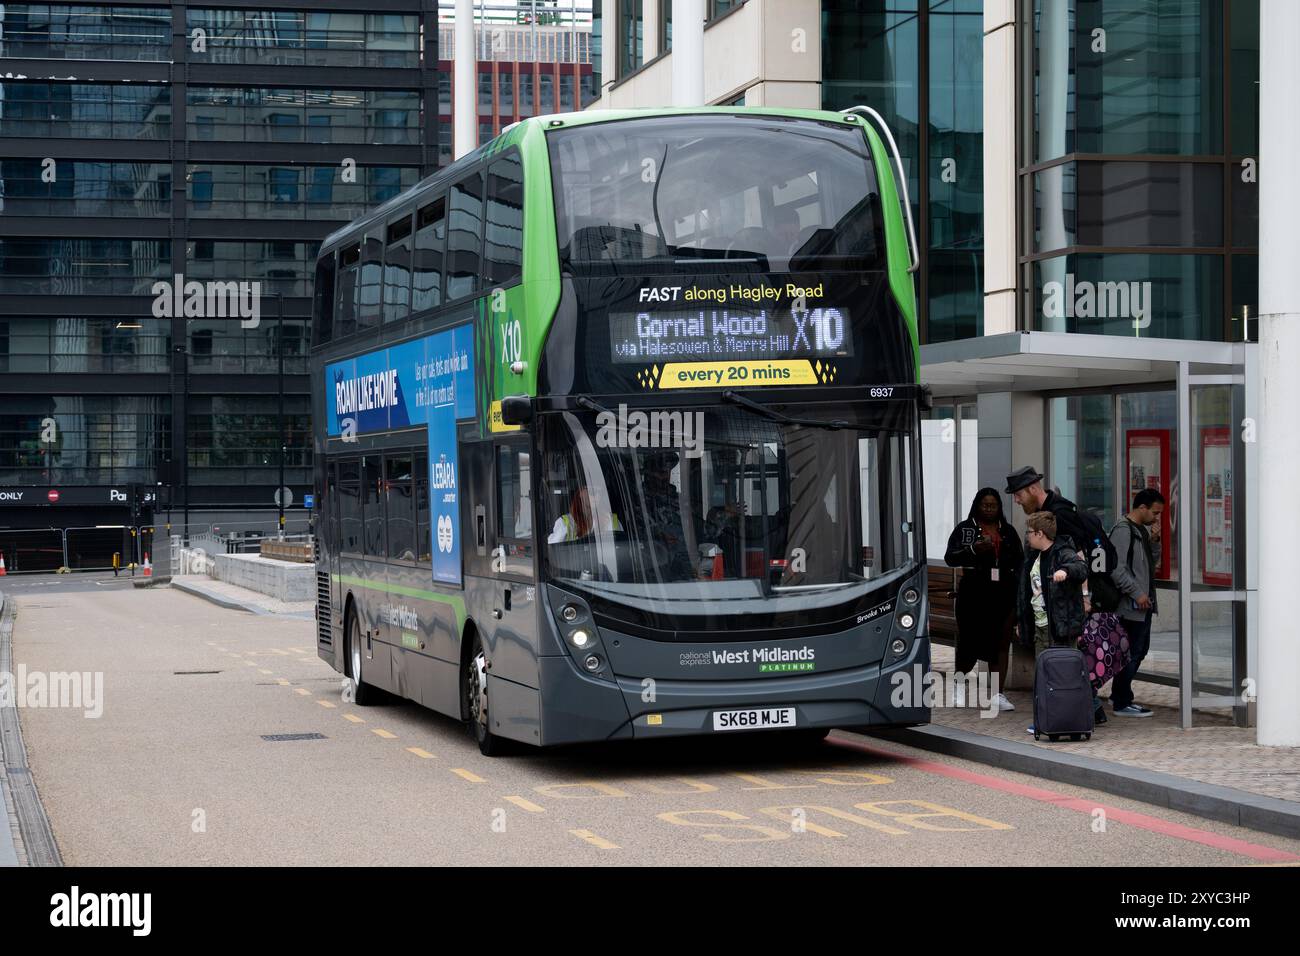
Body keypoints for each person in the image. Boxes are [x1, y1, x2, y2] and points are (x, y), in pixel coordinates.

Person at [944, 488, 1023, 711]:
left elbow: (1019, 561)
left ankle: (998, 694)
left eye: (993, 505)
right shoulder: (965, 529)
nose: (989, 509)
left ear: (999, 507)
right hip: (974, 593)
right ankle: (959, 687)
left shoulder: (1007, 531)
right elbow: (950, 557)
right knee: (969, 642)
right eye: (984, 505)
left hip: (1003, 593)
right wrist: (973, 549)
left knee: (1001, 641)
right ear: (977, 505)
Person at [1017, 512, 1088, 734]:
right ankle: (1044, 719)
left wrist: (1064, 571)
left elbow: (1081, 568)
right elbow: (1025, 591)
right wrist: (1022, 620)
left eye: (1029, 532)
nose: (1027, 537)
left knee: (1063, 676)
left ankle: (1067, 719)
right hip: (1040, 625)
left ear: (1040, 533)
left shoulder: (1062, 553)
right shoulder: (1034, 555)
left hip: (1059, 627)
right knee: (1043, 675)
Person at [1107, 488, 1166, 717]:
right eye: (1155, 512)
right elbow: (1117, 568)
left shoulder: (1140, 531)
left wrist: (1155, 540)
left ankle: (1120, 696)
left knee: (1138, 650)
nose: (1156, 517)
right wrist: (1137, 593)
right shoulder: (1123, 531)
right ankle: (1122, 700)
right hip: (1130, 605)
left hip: (1142, 604)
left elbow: (1151, 564)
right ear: (1142, 508)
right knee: (1131, 652)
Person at [548, 487, 621, 544]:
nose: (598, 496)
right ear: (581, 493)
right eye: (593, 492)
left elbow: (621, 546)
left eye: (600, 492)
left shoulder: (610, 519)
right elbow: (552, 550)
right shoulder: (565, 523)